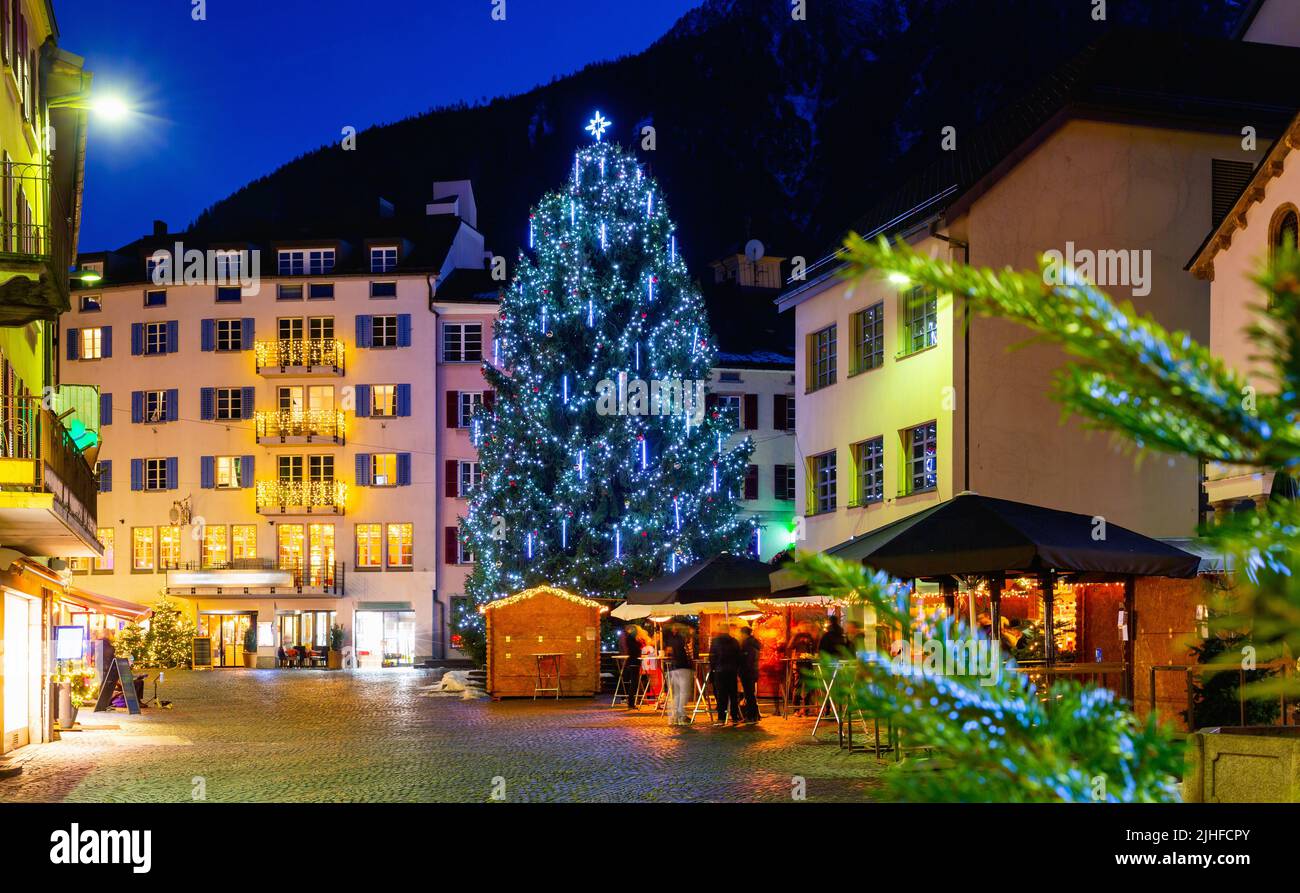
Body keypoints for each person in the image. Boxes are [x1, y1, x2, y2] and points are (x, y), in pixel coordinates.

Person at [708, 624, 742, 726]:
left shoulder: (715, 641)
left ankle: (721, 718)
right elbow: (739, 657)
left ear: (720, 630)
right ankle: (735, 717)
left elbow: (712, 656)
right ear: (728, 631)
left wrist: (712, 669)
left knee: (721, 694)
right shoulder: (734, 641)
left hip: (719, 671)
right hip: (732, 671)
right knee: (733, 694)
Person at [661, 624, 694, 726]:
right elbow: (686, 654)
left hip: (673, 667)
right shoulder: (681, 640)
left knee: (677, 693)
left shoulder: (670, 639)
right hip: (682, 666)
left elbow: (670, 652)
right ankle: (680, 715)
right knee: (683, 692)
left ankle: (674, 716)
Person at [738, 626, 762, 723]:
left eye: (741, 634)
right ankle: (754, 715)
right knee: (750, 694)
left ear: (744, 634)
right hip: (753, 671)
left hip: (747, 672)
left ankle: (751, 716)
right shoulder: (754, 643)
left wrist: (741, 670)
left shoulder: (747, 644)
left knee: (749, 694)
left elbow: (747, 660)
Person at [621, 624, 643, 710]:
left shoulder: (629, 638)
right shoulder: (632, 640)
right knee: (634, 683)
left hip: (631, 662)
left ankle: (631, 702)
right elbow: (636, 650)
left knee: (633, 683)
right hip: (634, 662)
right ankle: (631, 703)